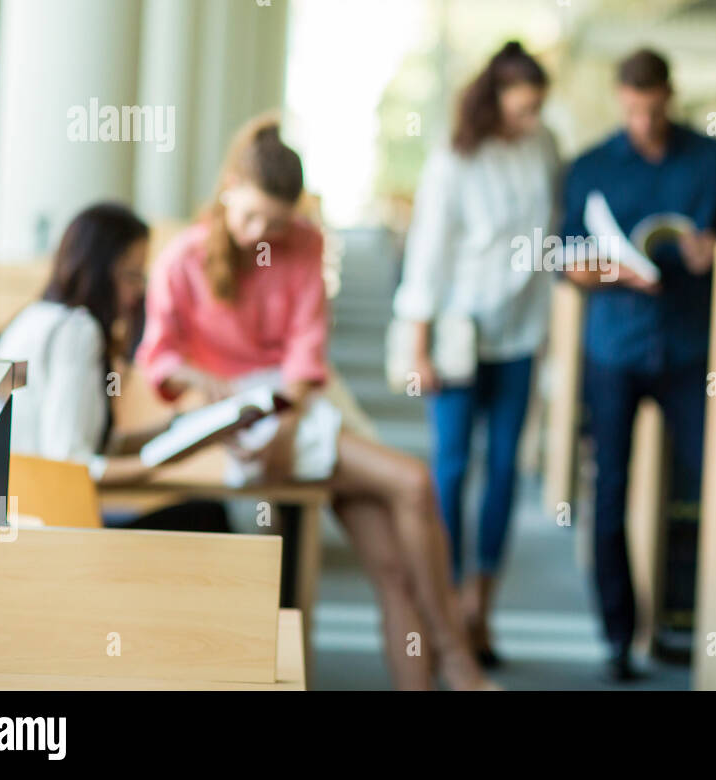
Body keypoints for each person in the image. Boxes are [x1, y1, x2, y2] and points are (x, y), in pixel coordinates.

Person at [136, 112, 496, 690]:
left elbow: (307, 354)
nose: (260, 235)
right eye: (251, 215)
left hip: (301, 409)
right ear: (228, 190)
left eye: (275, 223)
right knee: (412, 482)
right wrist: (214, 383)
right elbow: (159, 359)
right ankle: (459, 661)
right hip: (232, 424)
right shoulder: (183, 257)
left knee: (393, 570)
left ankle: (444, 670)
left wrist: (283, 416)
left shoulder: (305, 242)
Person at [560, 47, 716, 680]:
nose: (643, 121)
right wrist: (608, 270)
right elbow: (564, 260)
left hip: (692, 351)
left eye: (654, 107)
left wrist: (711, 250)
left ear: (671, 95)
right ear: (620, 99)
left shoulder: (713, 158)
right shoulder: (588, 166)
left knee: (706, 488)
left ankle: (690, 622)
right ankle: (618, 637)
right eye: (633, 109)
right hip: (613, 348)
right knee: (609, 489)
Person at [392, 40, 559, 667]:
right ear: (493, 102)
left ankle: (478, 608)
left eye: (538, 108)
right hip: (459, 337)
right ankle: (443, 610)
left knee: (505, 475)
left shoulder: (543, 147)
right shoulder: (455, 157)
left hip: (519, 337)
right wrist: (418, 347)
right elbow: (427, 255)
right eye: (521, 109)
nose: (531, 120)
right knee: (453, 470)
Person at [0, 202, 230, 531]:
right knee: (207, 517)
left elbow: (82, 442)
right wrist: (157, 463)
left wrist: (173, 430)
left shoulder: (30, 321)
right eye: (132, 276)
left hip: (18, 524)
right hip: (55, 537)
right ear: (99, 271)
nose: (138, 291)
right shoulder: (77, 331)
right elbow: (70, 464)